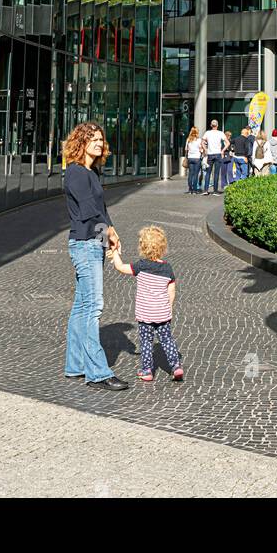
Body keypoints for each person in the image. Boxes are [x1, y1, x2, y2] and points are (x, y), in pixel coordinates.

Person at [62, 122, 128, 391]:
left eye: (101, 139)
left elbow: (100, 209)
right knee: (93, 307)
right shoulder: (76, 172)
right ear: (81, 142)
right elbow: (89, 210)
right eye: (93, 139)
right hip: (84, 244)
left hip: (92, 242)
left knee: (81, 305)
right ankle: (98, 373)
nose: (99, 143)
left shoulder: (91, 172)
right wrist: (108, 232)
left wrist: (110, 237)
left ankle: (75, 365)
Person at [109, 226, 183, 383]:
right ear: (163, 247)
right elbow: (172, 289)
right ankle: (176, 366)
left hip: (145, 315)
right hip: (163, 314)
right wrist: (168, 307)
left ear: (142, 247)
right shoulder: (167, 268)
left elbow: (120, 267)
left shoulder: (141, 266)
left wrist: (114, 252)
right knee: (167, 340)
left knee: (146, 343)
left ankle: (147, 370)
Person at [202, 118, 226, 194]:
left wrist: (206, 149)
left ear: (211, 125)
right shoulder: (220, 133)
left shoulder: (207, 133)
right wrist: (222, 150)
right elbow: (227, 143)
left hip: (210, 154)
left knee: (208, 173)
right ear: (217, 125)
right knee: (216, 173)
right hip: (218, 154)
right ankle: (215, 191)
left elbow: (202, 142)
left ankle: (206, 190)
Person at [184, 126, 203, 194]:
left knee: (190, 174)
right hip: (197, 158)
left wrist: (187, 155)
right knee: (196, 174)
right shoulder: (199, 140)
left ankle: (190, 189)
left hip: (190, 158)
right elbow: (201, 150)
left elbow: (186, 149)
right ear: (197, 132)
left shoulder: (188, 139)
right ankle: (194, 190)